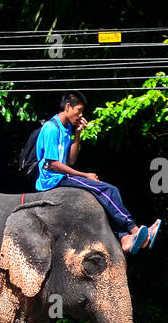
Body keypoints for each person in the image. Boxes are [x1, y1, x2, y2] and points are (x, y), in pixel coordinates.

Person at [36, 91, 161, 254]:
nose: (80, 115)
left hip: (62, 175)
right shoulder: (51, 128)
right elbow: (52, 164)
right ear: (68, 107)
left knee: (103, 197)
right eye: (79, 110)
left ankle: (124, 238)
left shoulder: (66, 128)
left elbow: (71, 160)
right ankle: (135, 230)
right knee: (109, 190)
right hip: (52, 179)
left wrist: (78, 133)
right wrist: (84, 175)